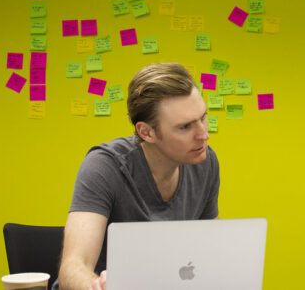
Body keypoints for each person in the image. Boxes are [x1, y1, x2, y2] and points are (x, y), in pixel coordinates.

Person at [56, 63, 219, 290]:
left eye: (203, 117)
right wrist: (96, 286)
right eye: (185, 127)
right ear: (146, 132)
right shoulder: (105, 166)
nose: (203, 134)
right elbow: (73, 268)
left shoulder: (205, 162)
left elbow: (206, 252)